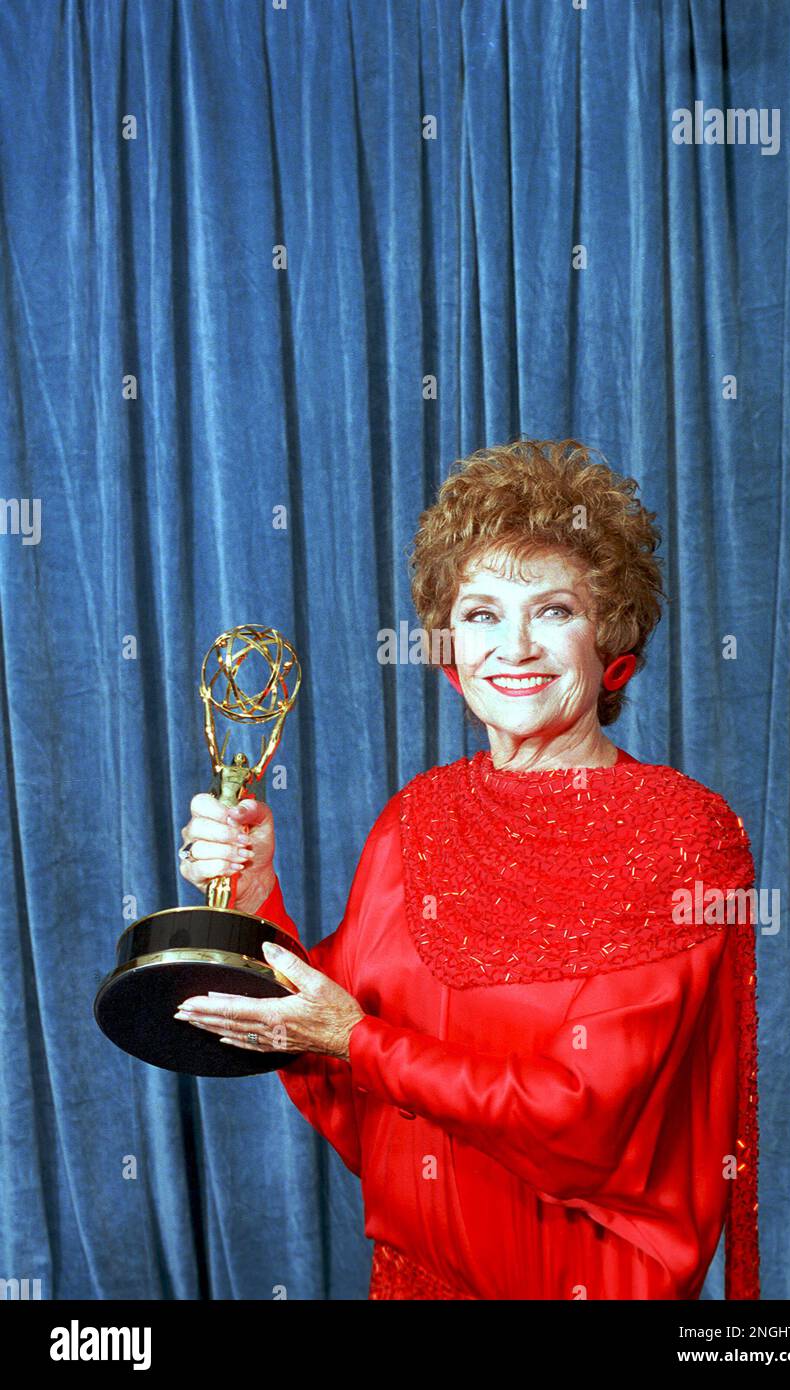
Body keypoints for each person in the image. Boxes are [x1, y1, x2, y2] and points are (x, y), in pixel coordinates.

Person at [174, 438, 759, 1301]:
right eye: (482, 614)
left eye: (553, 610)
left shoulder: (681, 834)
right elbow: (331, 1046)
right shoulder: (416, 818)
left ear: (612, 642)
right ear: (450, 654)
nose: (514, 647)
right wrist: (257, 898)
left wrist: (359, 1041)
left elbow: (581, 1118)